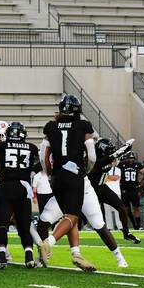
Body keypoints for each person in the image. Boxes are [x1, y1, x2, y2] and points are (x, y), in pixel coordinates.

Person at [36, 94, 98, 272]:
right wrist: (86, 169)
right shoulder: (83, 126)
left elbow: (43, 156)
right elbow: (92, 155)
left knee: (69, 216)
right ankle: (49, 242)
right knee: (72, 216)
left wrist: (49, 174)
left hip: (57, 176)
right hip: (74, 174)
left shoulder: (51, 126)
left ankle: (76, 253)